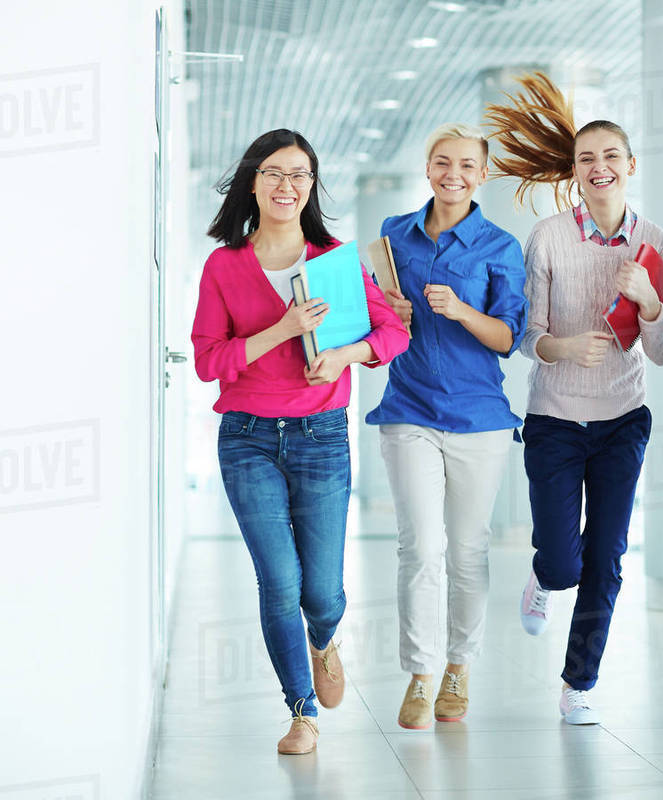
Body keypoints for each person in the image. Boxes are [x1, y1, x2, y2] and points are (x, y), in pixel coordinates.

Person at [191, 129, 410, 754]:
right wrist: (282, 328)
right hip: (247, 439)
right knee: (279, 582)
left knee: (322, 592)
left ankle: (325, 638)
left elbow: (392, 332)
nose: (288, 186)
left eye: (301, 175)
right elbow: (210, 360)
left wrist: (343, 354)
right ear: (253, 183)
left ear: (311, 187)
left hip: (320, 436)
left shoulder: (334, 259)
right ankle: (301, 712)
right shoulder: (224, 265)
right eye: (275, 174)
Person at [483, 73, 663, 725]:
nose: (599, 168)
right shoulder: (545, 239)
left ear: (630, 166)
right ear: (573, 173)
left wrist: (650, 302)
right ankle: (544, 576)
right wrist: (565, 348)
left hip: (625, 419)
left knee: (607, 555)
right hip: (555, 420)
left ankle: (580, 683)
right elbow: (527, 338)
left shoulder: (656, 242)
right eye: (585, 159)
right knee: (565, 560)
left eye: (609, 157)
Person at [365, 123, 527, 730]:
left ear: (482, 175)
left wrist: (461, 310)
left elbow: (509, 338)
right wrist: (392, 311)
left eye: (465, 164)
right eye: (441, 162)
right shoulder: (394, 235)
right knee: (421, 546)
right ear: (427, 168)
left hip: (478, 419)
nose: (452, 173)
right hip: (409, 410)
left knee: (465, 550)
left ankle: (460, 665)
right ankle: (421, 671)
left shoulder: (499, 246)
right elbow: (376, 318)